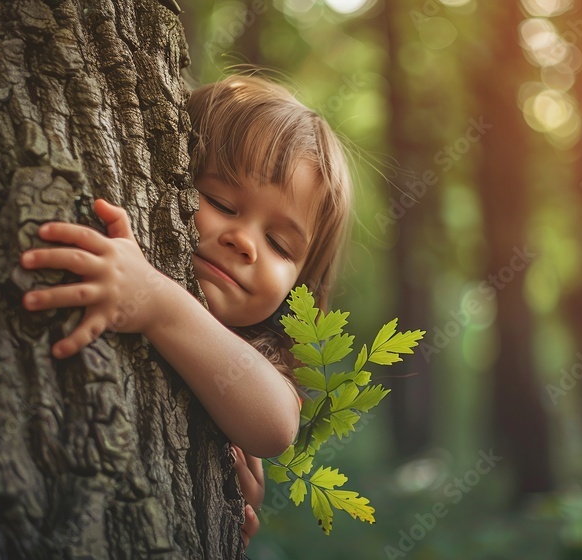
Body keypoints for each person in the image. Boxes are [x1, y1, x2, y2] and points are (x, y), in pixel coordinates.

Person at [18, 74, 354, 550]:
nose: (245, 241)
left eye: (279, 244)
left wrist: (156, 303)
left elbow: (277, 424)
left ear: (300, 286)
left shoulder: (256, 358)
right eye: (220, 202)